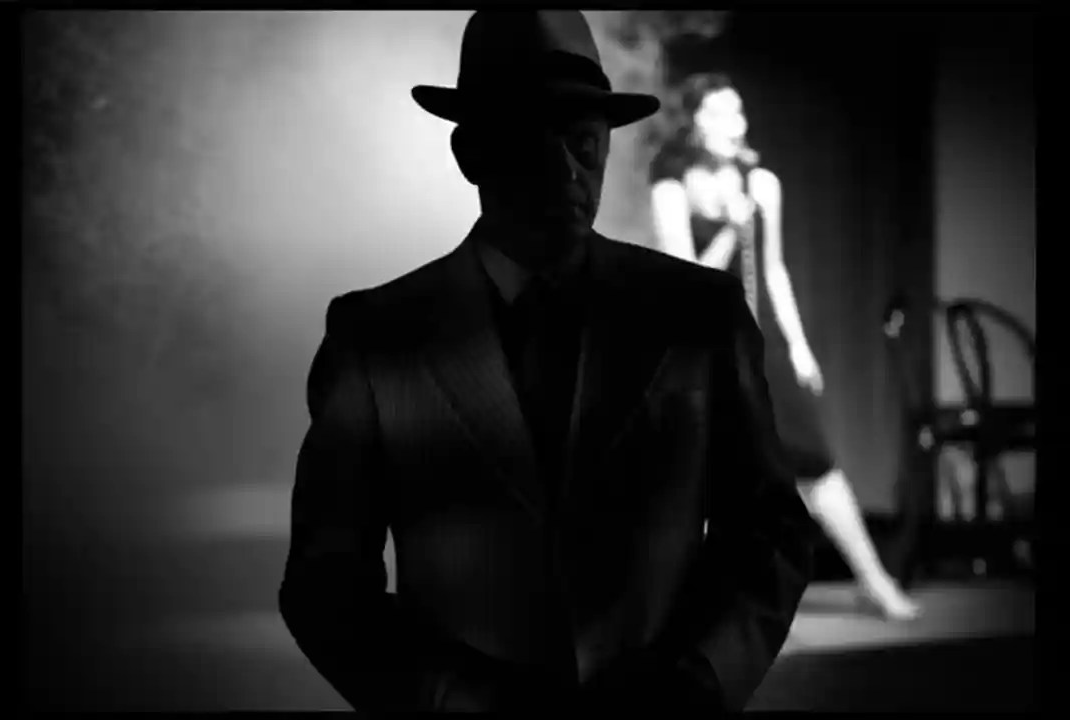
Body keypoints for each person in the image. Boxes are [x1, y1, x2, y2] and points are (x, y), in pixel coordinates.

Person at [279, 12, 818, 714]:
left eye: (584, 141)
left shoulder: (698, 314)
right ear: (469, 153)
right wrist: (449, 701)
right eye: (533, 138)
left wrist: (697, 684)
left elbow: (770, 533)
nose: (566, 167)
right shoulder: (377, 337)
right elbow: (325, 585)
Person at [648, 72, 920, 621]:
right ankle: (686, 603)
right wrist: (729, 226)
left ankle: (873, 580)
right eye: (721, 113)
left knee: (814, 462)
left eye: (739, 112)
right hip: (701, 339)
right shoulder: (671, 184)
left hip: (761, 337)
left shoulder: (762, 182)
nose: (735, 123)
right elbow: (684, 278)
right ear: (696, 123)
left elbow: (774, 271)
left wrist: (798, 346)